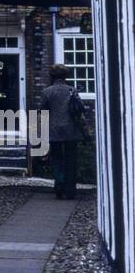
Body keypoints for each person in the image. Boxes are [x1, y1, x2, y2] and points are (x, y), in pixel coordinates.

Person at [40, 63, 86, 200]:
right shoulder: (73, 90)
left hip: (55, 130)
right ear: (65, 76)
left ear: (52, 76)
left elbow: (43, 110)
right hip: (71, 129)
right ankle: (71, 189)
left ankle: (59, 184)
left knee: (57, 159)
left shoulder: (47, 91)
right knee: (71, 160)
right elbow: (80, 109)